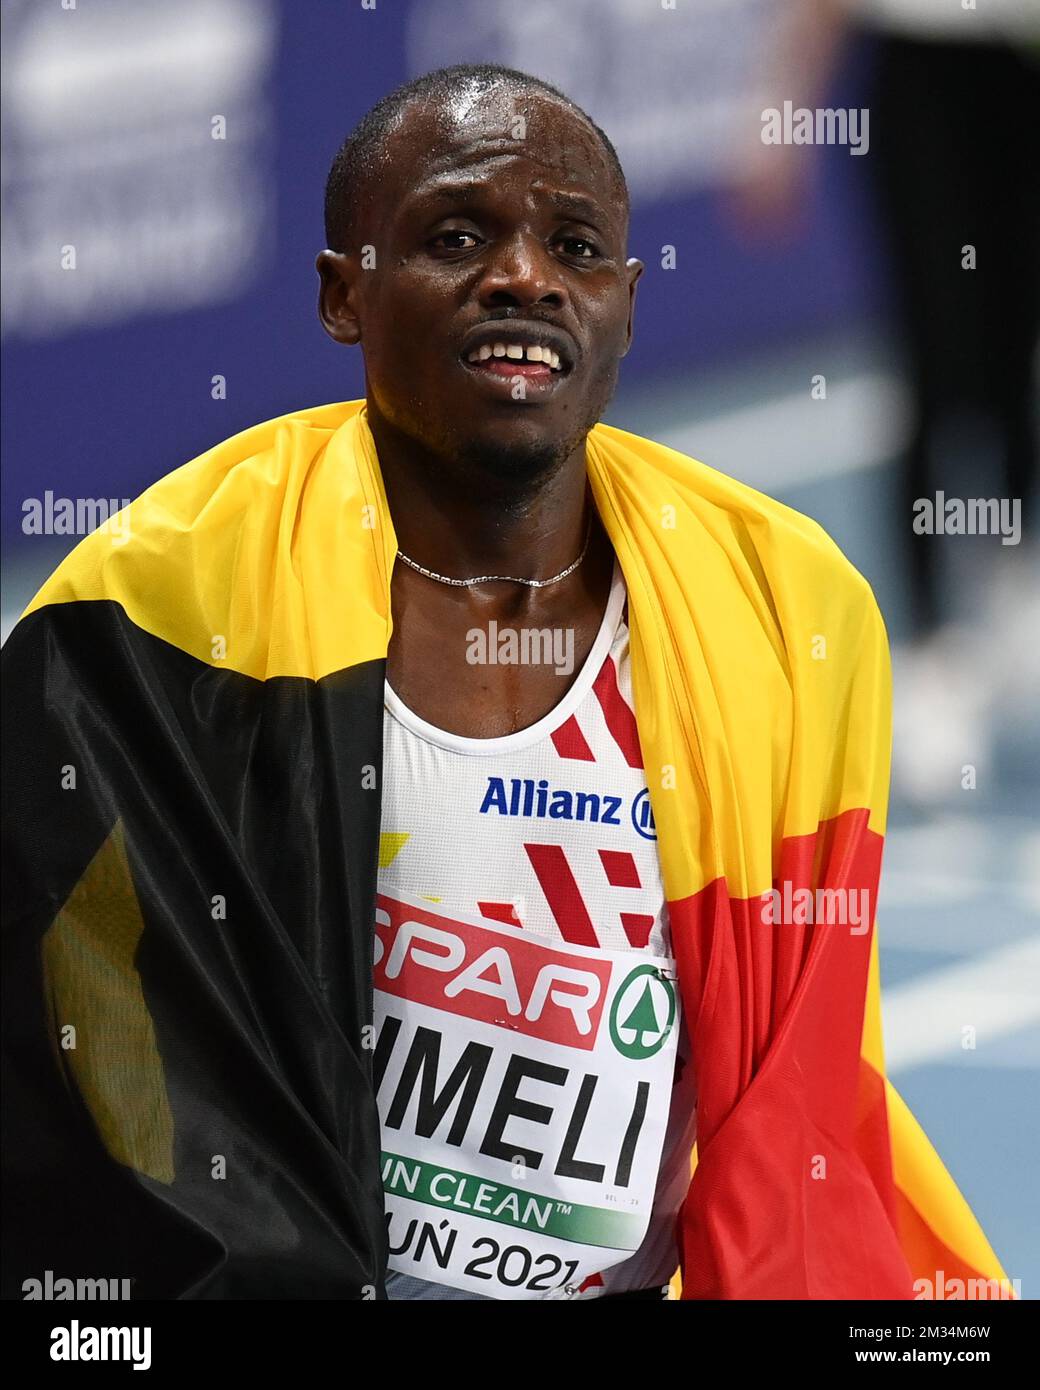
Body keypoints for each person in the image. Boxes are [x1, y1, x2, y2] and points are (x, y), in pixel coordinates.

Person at [1, 63, 1012, 1301]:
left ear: (625, 309)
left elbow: (788, 1080)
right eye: (456, 235)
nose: (525, 274)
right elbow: (83, 1072)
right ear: (342, 294)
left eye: (574, 245)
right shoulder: (171, 611)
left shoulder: (774, 614)